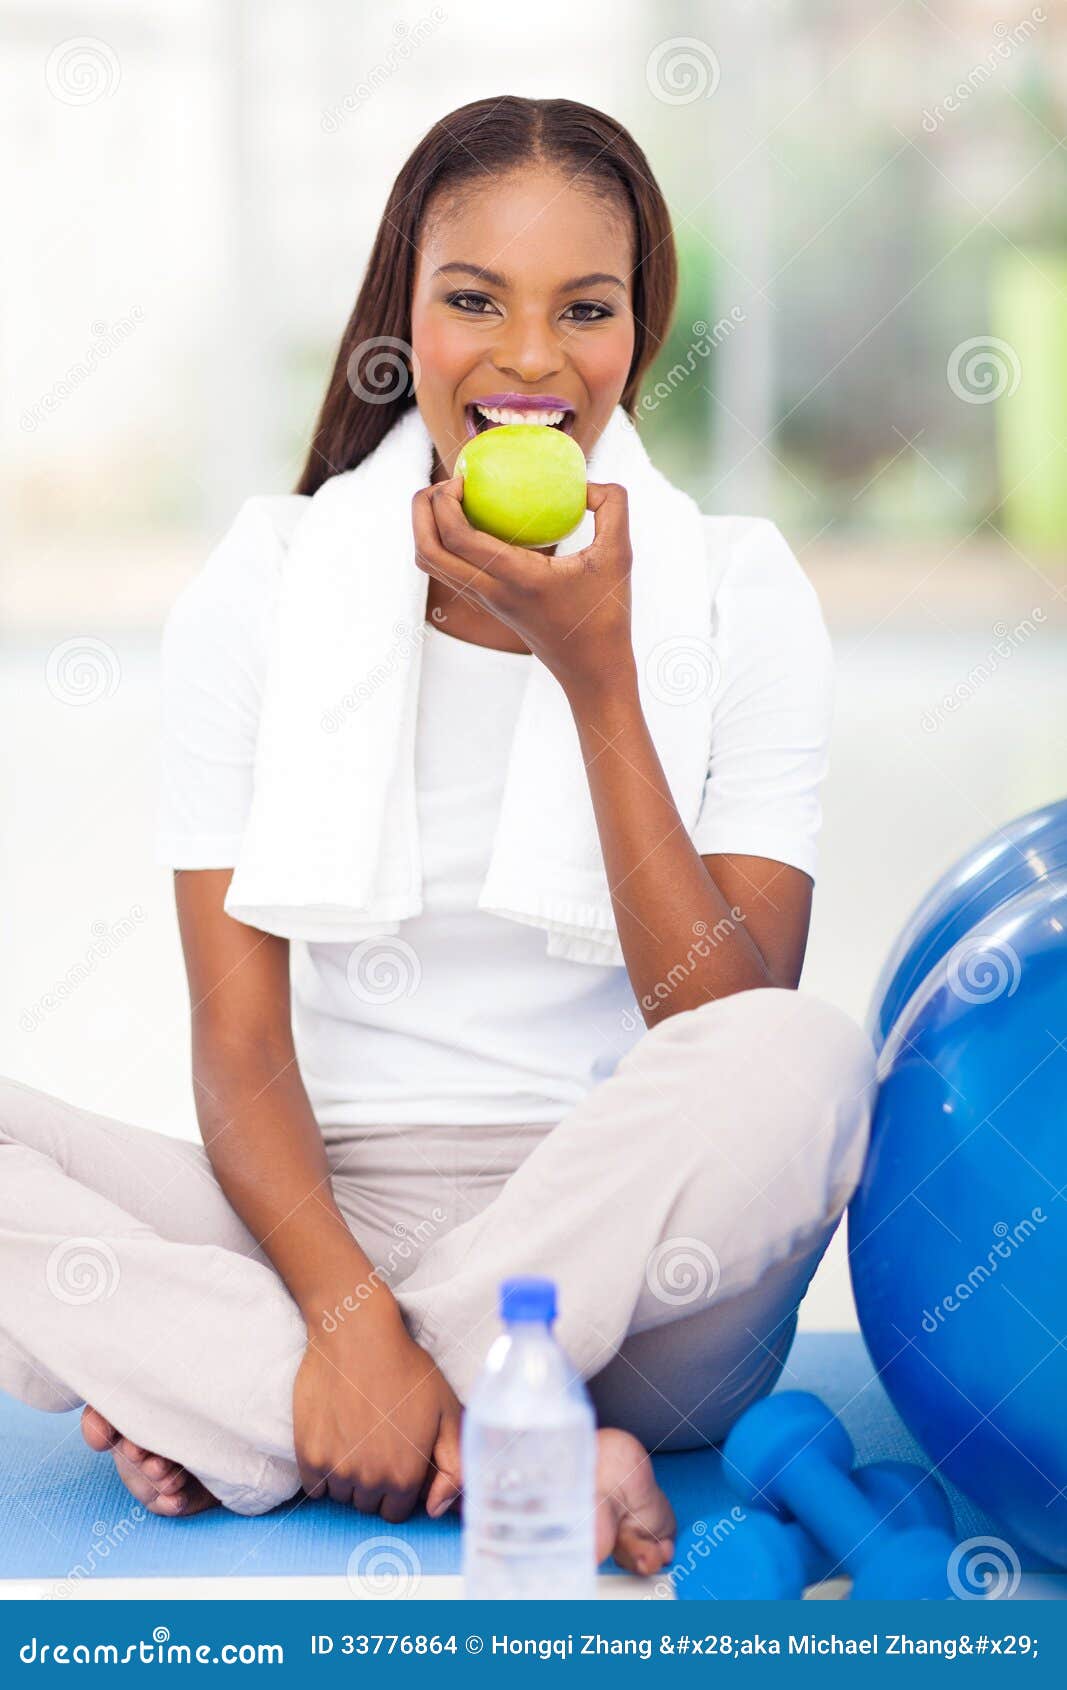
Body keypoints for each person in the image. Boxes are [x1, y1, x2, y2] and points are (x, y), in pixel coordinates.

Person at [0, 96, 875, 1580]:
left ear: (639, 330)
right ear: (405, 313)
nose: (530, 360)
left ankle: (256, 1408)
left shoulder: (740, 592)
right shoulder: (267, 588)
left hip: (634, 1278)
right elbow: (239, 1049)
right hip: (317, 1221)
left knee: (806, 1056)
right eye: (476, 300)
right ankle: (468, 1420)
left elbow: (722, 1028)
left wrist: (594, 675)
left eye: (583, 309)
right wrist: (346, 1314)